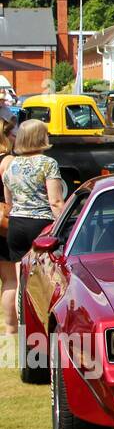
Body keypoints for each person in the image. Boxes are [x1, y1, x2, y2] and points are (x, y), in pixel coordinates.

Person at [3, 121, 65, 263]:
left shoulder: (11, 164)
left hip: (15, 225)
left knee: (20, 273)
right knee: (42, 275)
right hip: (41, 224)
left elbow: (9, 201)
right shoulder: (48, 163)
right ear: (40, 137)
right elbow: (55, 202)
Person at [0, 120, 15, 336]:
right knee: (11, 278)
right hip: (3, 220)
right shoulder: (8, 161)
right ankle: (11, 329)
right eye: (12, 133)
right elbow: (10, 193)